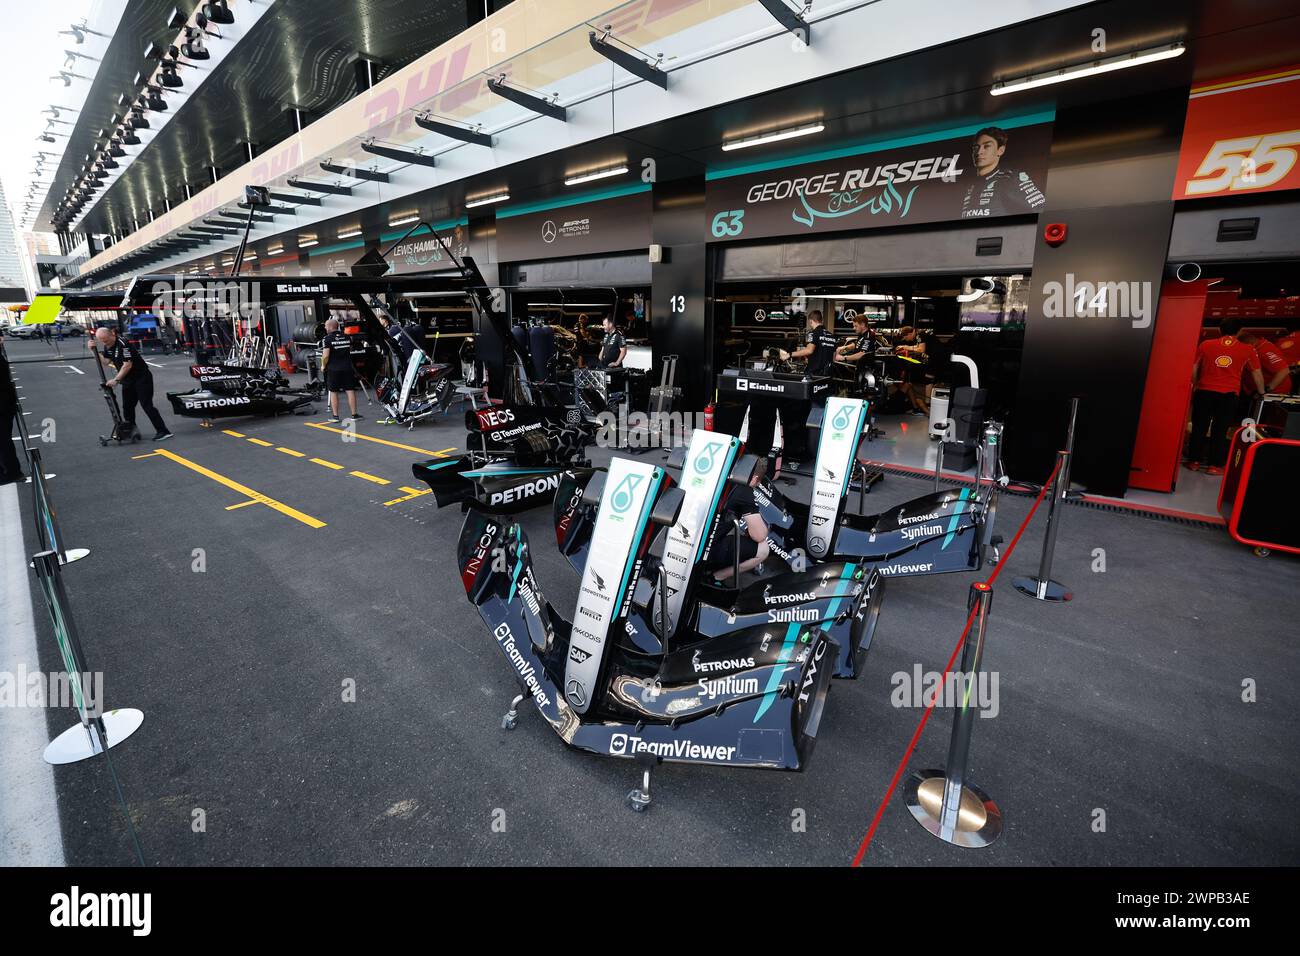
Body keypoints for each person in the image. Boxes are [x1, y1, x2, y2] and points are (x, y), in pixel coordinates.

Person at [1188, 320, 1265, 474]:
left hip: (1204, 391)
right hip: (1229, 395)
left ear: (1219, 329)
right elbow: (1256, 373)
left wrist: (1196, 384)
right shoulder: (1248, 349)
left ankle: (1194, 462)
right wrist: (1262, 393)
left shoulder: (1206, 345)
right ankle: (1214, 466)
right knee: (1220, 429)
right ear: (1240, 331)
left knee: (1199, 427)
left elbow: (1194, 367)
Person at [89, 327, 172, 441]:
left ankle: (163, 431)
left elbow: (127, 365)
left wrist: (116, 380)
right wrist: (93, 351)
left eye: (106, 340)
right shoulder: (107, 345)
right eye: (101, 341)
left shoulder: (124, 344)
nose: (104, 342)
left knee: (146, 405)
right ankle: (132, 431)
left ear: (112, 334)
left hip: (141, 378)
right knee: (127, 408)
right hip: (128, 380)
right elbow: (106, 362)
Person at [960, 126, 1046, 219]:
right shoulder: (967, 185)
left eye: (987, 146)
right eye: (976, 147)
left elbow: (1042, 208)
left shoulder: (1011, 177)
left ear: (1000, 150)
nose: (979, 152)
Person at [711, 458, 771, 583]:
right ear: (754, 479)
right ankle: (717, 576)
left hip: (682, 541)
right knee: (763, 549)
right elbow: (759, 536)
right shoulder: (744, 490)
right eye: (758, 482)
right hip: (707, 550)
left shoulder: (716, 474)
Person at [320, 317, 362, 423]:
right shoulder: (347, 337)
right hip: (347, 367)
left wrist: (323, 366)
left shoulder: (327, 339)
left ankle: (335, 416)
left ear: (330, 327)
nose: (325, 327)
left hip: (334, 369)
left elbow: (325, 356)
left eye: (326, 325)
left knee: (333, 392)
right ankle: (354, 414)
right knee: (350, 390)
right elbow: (350, 349)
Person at [0, 337, 26, 485]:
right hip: (5, 404)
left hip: (3, 406)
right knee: (3, 441)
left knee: (3, 441)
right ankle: (9, 471)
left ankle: (12, 472)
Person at [1238, 330, 1292, 394]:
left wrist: (1266, 390)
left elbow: (1284, 370)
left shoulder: (1264, 350)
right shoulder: (1259, 347)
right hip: (1254, 391)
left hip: (1274, 394)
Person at [784, 310, 836, 376]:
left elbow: (809, 350)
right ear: (821, 320)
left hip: (814, 374)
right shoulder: (832, 336)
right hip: (828, 374)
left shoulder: (812, 333)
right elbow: (834, 357)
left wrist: (789, 354)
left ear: (811, 321)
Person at [893, 325, 930, 415]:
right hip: (930, 358)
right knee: (909, 381)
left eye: (906, 337)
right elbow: (917, 347)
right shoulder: (918, 334)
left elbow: (921, 349)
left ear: (910, 333)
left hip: (936, 358)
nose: (906, 339)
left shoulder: (920, 334)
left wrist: (905, 347)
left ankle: (926, 407)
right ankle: (916, 407)